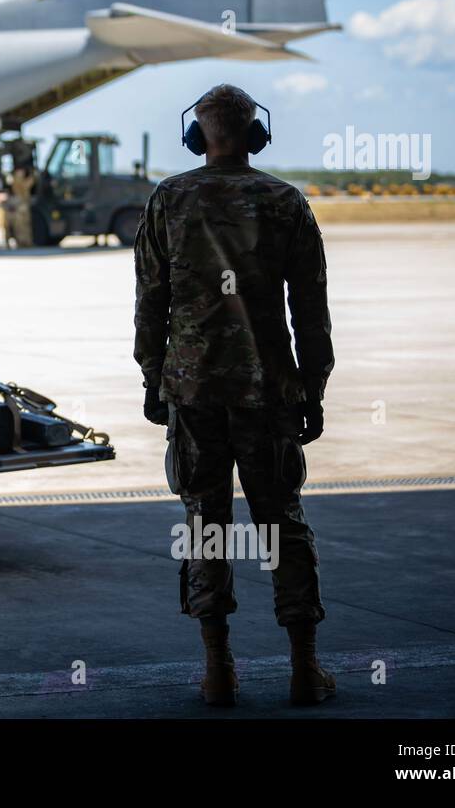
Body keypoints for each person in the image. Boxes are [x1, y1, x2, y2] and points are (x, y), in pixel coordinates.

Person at [133, 84, 336, 707]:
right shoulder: (285, 202)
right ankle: (305, 669)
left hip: (193, 390)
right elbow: (311, 308)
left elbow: (150, 302)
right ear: (256, 135)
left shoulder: (169, 199)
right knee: (282, 523)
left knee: (205, 525)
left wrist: (153, 378)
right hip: (268, 391)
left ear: (197, 136)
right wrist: (313, 385)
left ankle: (218, 670)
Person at [9, 166, 35, 248]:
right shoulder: (20, 182)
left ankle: (21, 242)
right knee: (24, 225)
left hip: (19, 205)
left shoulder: (14, 180)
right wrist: (32, 175)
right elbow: (28, 185)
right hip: (22, 205)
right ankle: (26, 242)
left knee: (20, 226)